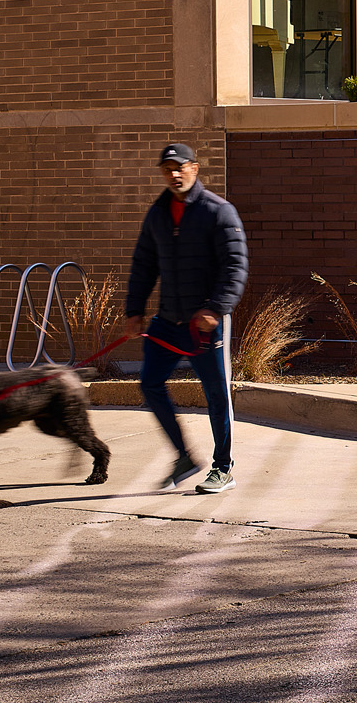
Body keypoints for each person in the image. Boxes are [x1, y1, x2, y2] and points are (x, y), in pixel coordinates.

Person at [121, 141, 248, 493]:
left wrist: (216, 308)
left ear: (195, 167)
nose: (174, 174)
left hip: (204, 323)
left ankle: (223, 468)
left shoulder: (218, 211)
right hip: (168, 320)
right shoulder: (158, 214)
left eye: (180, 167)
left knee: (216, 393)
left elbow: (235, 266)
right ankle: (184, 455)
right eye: (167, 170)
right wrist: (135, 310)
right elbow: (143, 265)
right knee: (149, 382)